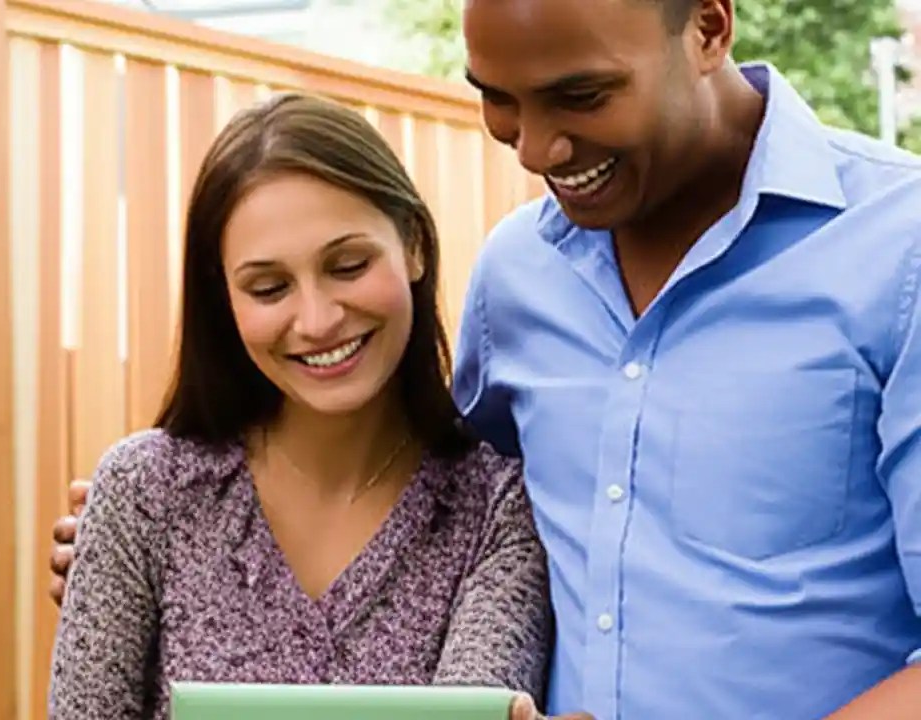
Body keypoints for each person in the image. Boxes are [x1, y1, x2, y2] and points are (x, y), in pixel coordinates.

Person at [53, 0, 921, 717]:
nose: (536, 149)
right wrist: (139, 528)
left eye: (580, 95)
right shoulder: (520, 275)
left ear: (708, 26)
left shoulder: (897, 248)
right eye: (499, 98)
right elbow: (429, 467)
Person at [46, 93, 571, 720]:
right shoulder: (143, 494)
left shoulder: (496, 508)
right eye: (269, 288)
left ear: (413, 247)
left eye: (348, 265)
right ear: (225, 299)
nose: (318, 320)